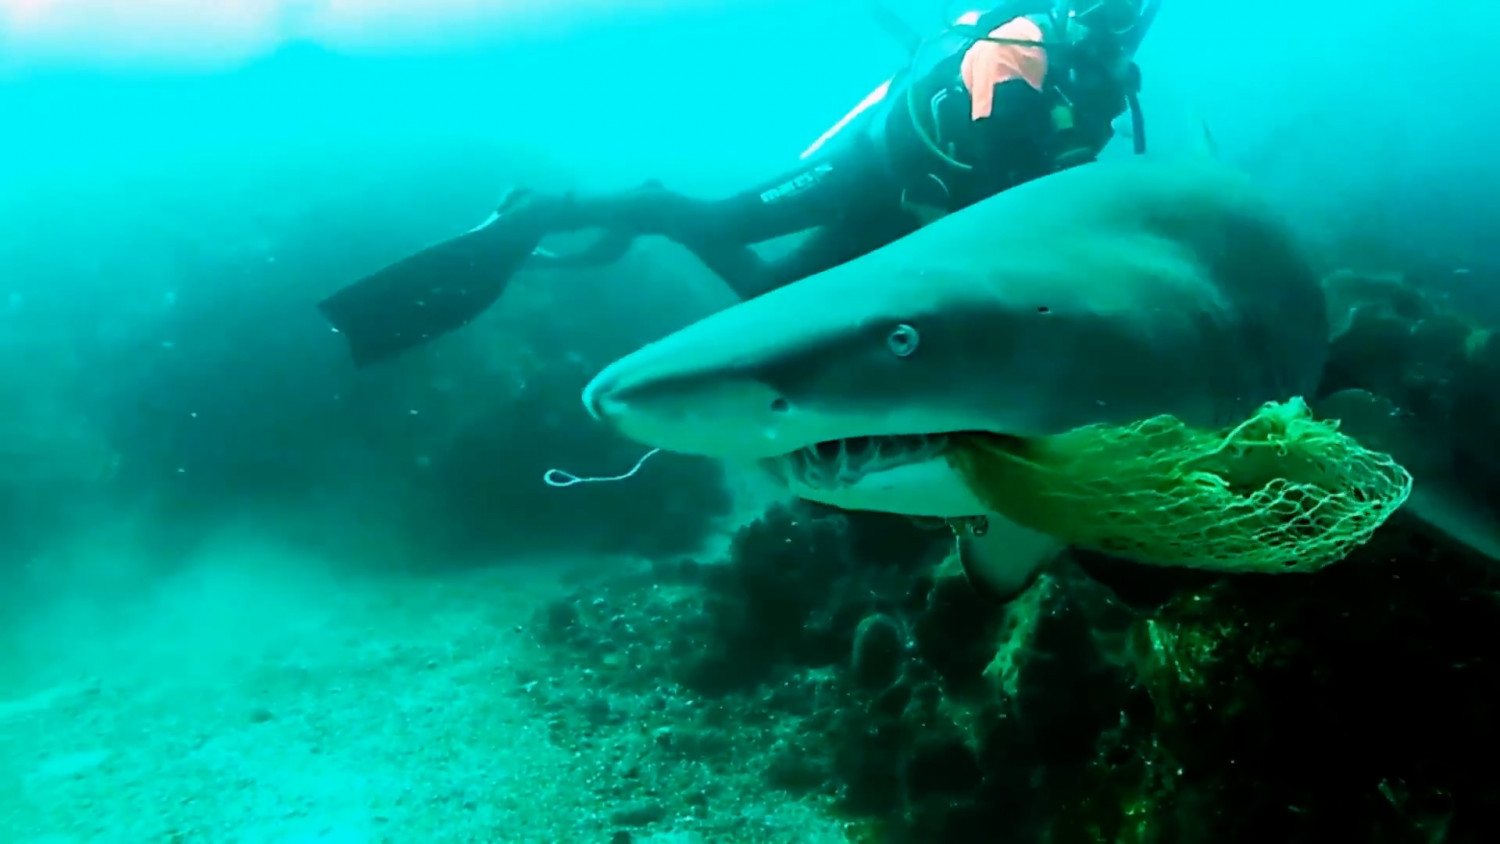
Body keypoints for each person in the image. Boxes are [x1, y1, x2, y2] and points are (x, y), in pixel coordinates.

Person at [318, 0, 1160, 368]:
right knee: (721, 224)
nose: (1120, 19)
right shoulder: (1025, 43)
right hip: (873, 174)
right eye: (1112, 2)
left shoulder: (1105, 86)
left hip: (916, 221)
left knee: (766, 307)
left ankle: (613, 229)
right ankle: (571, 209)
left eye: (1137, 8)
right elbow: (993, 131)